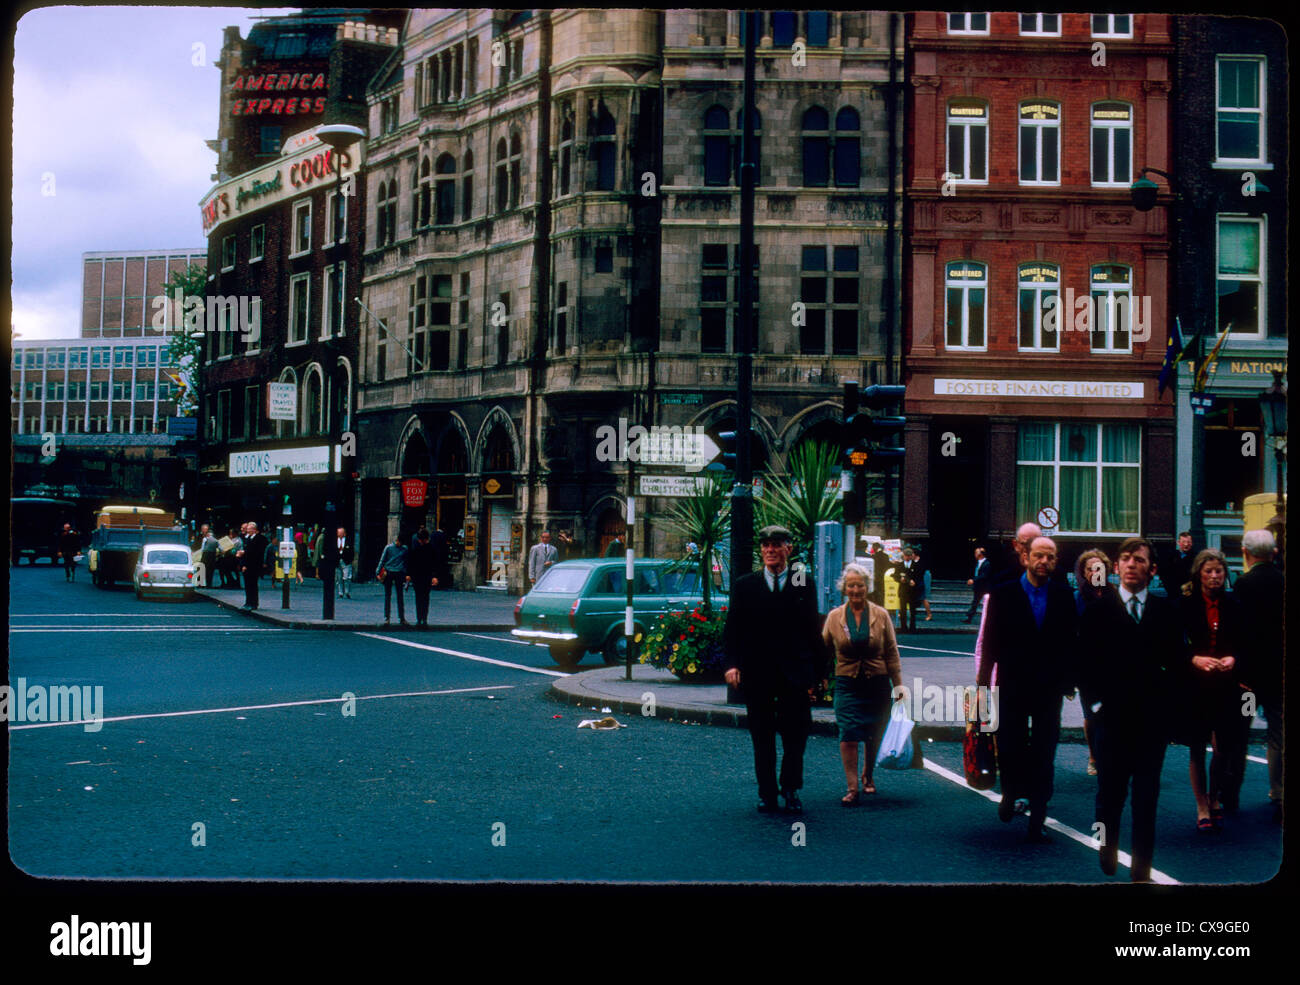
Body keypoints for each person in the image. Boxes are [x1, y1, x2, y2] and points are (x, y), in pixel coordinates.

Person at [1078, 537, 1191, 883]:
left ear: (1152, 569)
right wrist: (1094, 707)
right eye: (1125, 559)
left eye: (1139, 560)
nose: (1131, 564)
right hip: (1110, 720)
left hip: (1151, 723)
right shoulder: (1099, 610)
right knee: (1108, 795)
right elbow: (1085, 664)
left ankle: (1142, 866)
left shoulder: (1166, 612)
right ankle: (1104, 843)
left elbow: (1177, 665)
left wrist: (1170, 714)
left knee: (1146, 797)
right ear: (1116, 567)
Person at [977, 536, 1078, 843]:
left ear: (1055, 561)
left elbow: (1071, 642)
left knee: (1044, 751)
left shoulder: (1063, 595)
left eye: (1050, 557)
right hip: (1012, 683)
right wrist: (983, 686)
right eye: (1038, 556)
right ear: (1026, 558)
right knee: (1009, 746)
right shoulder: (1004, 593)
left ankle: (1038, 816)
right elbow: (990, 642)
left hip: (1048, 688)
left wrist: (1068, 681)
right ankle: (1010, 793)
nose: (1043, 562)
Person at [723, 525, 824, 815]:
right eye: (766, 545)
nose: (770, 550)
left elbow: (811, 630)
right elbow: (734, 629)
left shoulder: (804, 582)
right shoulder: (745, 585)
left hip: (794, 673)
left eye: (776, 545)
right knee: (762, 736)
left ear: (788, 549)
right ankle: (767, 793)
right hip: (758, 673)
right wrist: (732, 664)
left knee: (796, 735)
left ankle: (790, 788)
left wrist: (817, 674)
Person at [822, 563, 903, 805]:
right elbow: (823, 650)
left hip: (877, 682)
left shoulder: (881, 615)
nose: (855, 590)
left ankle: (868, 776)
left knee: (873, 733)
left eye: (860, 585)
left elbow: (891, 651)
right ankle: (852, 787)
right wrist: (820, 677)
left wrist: (898, 685)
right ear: (844, 589)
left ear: (867, 587)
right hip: (847, 683)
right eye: (851, 585)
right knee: (848, 734)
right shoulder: (834, 617)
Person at [1179, 549, 1246, 831]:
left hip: (1226, 685)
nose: (1214, 576)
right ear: (1199, 574)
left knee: (1223, 747)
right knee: (1197, 747)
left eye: (1219, 571)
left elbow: (1246, 641)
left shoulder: (1235, 604)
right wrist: (1194, 658)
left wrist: (1234, 658)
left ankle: (1215, 795)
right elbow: (1173, 645)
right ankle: (1202, 805)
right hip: (1195, 685)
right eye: (1209, 571)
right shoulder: (1184, 605)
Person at [1234, 529, 1284, 818]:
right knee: (1278, 734)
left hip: (1250, 678)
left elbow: (1241, 631)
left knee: (1241, 730)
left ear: (1245, 552)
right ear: (1274, 553)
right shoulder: (1283, 582)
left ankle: (1232, 790)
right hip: (1279, 673)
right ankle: (1279, 791)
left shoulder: (1243, 584)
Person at [1073, 549, 1115, 777]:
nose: (1095, 572)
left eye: (1099, 568)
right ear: (1084, 572)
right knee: (1091, 714)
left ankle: (1111, 755)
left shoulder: (1114, 594)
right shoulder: (1078, 598)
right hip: (1087, 666)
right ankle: (1093, 756)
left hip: (1111, 665)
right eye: (1090, 568)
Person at [376, 532, 409, 627]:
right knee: (388, 595)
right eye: (399, 542)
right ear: (397, 540)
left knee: (400, 596)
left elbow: (406, 561)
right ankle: (387, 618)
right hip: (389, 572)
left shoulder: (404, 548)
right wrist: (378, 572)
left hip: (399, 572)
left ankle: (401, 618)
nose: (400, 545)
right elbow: (382, 560)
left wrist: (406, 573)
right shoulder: (389, 548)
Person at [406, 528, 436, 629]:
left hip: (420, 577)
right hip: (422, 577)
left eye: (420, 539)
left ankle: (421, 619)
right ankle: (423, 619)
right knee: (424, 598)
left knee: (420, 598)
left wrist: (409, 575)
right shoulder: (430, 548)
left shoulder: (418, 549)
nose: (419, 541)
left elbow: (411, 563)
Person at [238, 522, 268, 610]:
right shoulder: (248, 538)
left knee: (253, 585)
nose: (248, 530)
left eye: (249, 529)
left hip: (254, 565)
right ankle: (248, 602)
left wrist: (244, 553)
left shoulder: (260, 539)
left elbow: (256, 553)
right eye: (247, 529)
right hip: (247, 565)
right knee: (248, 585)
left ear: (254, 530)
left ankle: (253, 603)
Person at [964, 546, 991, 622]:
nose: (975, 554)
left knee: (982, 602)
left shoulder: (987, 564)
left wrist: (974, 580)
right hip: (978, 586)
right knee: (975, 601)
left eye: (976, 553)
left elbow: (984, 575)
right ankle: (969, 617)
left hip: (984, 586)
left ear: (981, 554)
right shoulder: (978, 563)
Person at [1167, 531, 1196, 596]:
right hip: (1173, 592)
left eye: (1188, 542)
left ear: (1191, 543)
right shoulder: (1170, 557)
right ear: (1178, 542)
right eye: (1183, 542)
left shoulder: (1196, 558)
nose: (1186, 544)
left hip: (1191, 592)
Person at [913, 545, 932, 622]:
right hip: (916, 581)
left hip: (921, 581)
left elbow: (921, 572)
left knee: (923, 598)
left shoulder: (921, 562)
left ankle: (929, 614)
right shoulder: (914, 562)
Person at [335, 527, 355, 599]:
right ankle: (340, 592)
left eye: (341, 533)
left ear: (344, 534)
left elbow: (352, 551)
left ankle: (347, 592)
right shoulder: (335, 541)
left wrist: (350, 560)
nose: (339, 534)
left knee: (346, 578)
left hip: (346, 561)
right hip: (337, 561)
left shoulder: (348, 541)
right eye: (338, 533)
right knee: (339, 578)